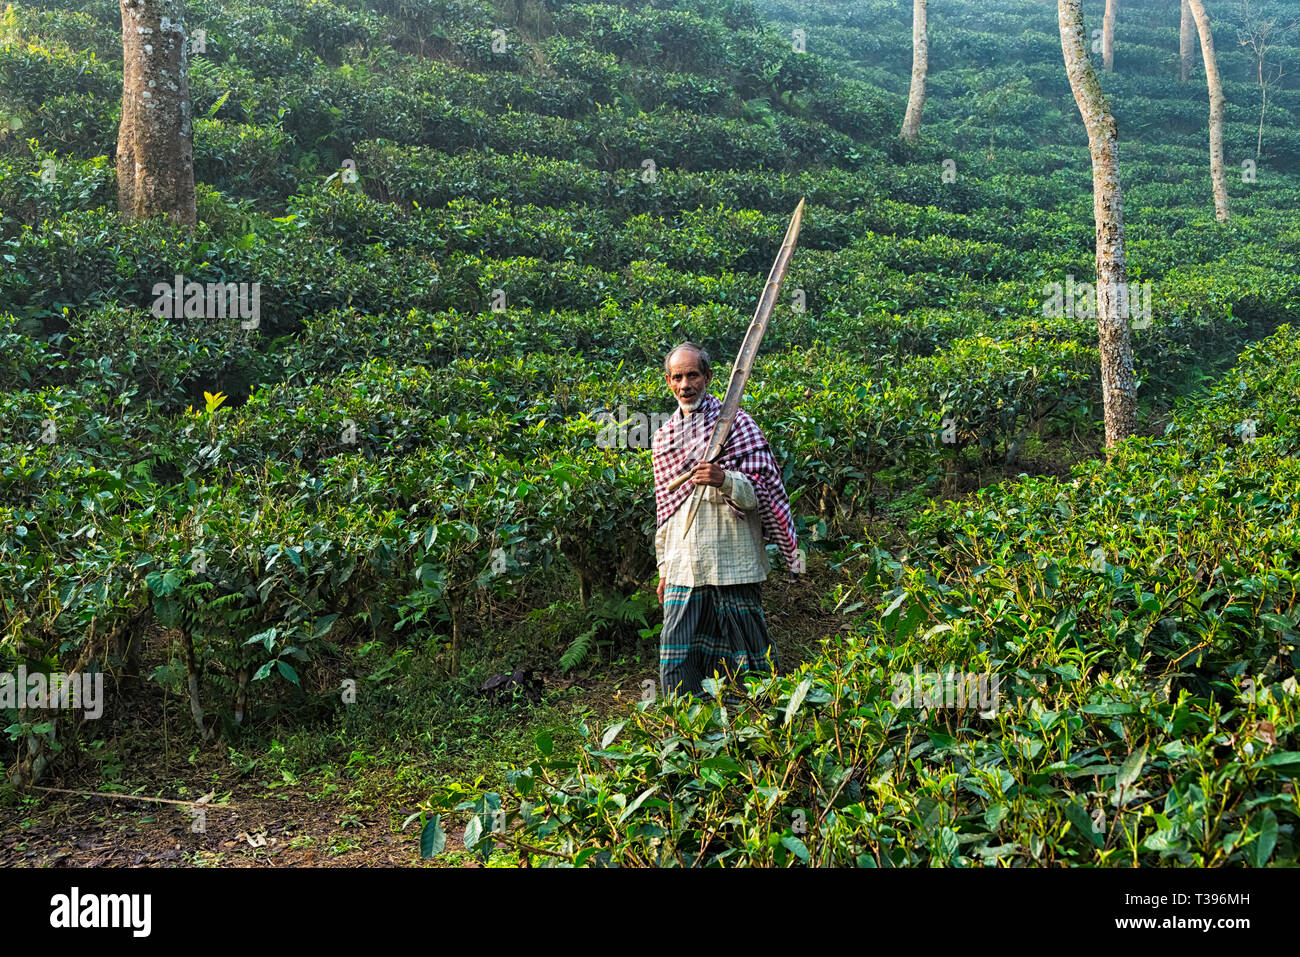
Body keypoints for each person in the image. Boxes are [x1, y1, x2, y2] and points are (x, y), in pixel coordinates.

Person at [651, 341, 799, 703]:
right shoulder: (664, 437)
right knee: (678, 655)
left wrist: (725, 479)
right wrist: (664, 569)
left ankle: (760, 721)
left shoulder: (738, 425)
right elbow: (666, 513)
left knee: (748, 655)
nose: (686, 384)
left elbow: (764, 494)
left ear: (708, 377)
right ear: (669, 382)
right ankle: (687, 726)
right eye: (678, 377)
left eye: (693, 375)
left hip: (733, 561)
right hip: (686, 566)